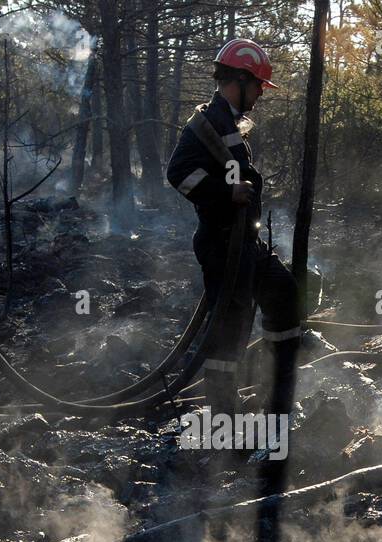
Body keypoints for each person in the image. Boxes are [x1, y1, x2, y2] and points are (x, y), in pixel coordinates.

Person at [165, 38, 301, 422]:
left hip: (246, 244)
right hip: (222, 245)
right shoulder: (207, 123)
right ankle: (222, 419)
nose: (260, 94)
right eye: (257, 84)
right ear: (239, 79)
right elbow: (179, 174)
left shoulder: (227, 121)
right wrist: (227, 192)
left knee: (283, 293)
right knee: (230, 330)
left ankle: (279, 392)